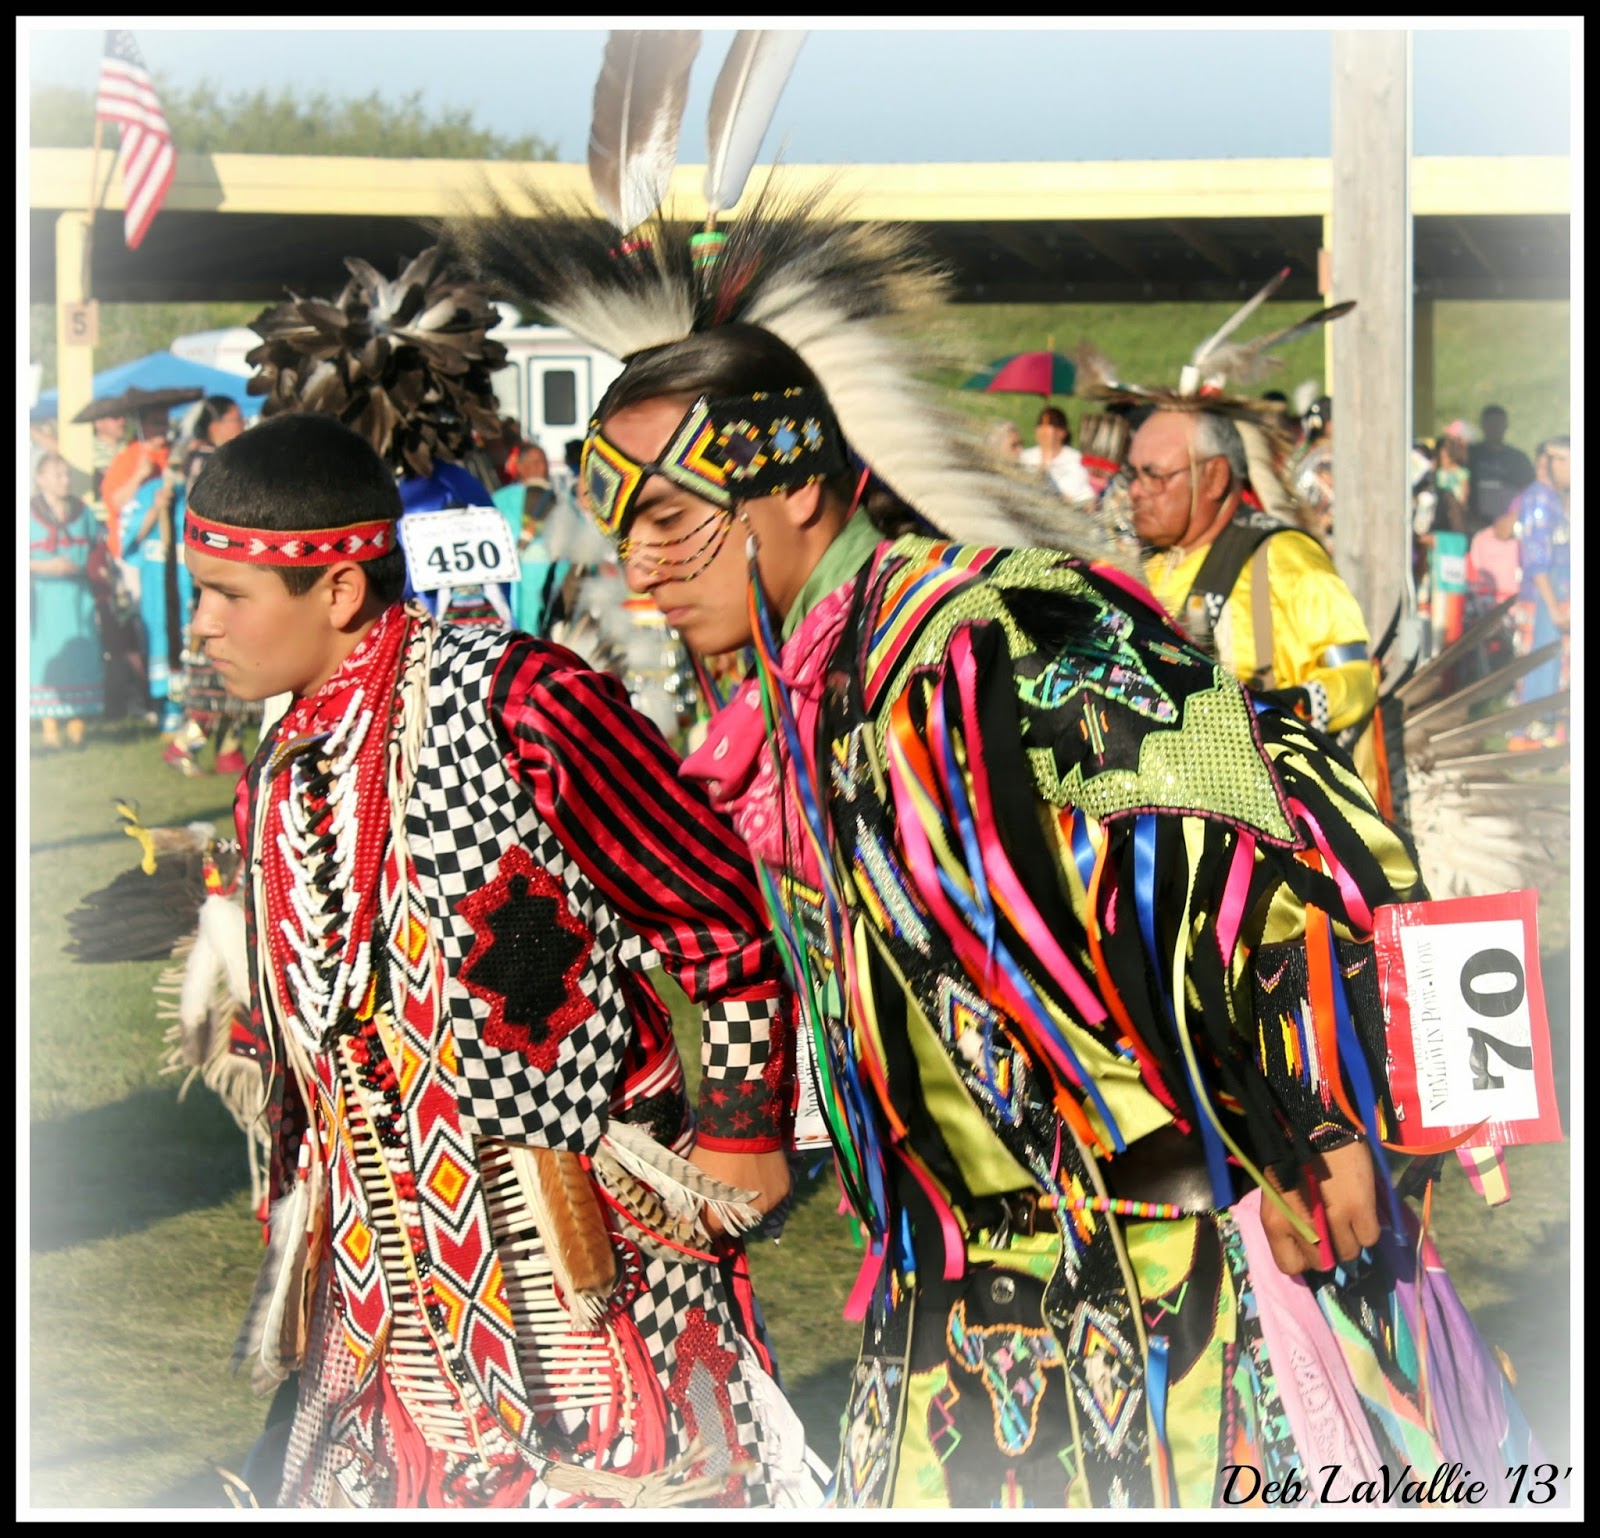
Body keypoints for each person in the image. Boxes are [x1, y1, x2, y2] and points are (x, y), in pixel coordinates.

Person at [446, 169, 1543, 1509]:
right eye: (624, 533)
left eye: (670, 520)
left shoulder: (998, 621)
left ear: (796, 490)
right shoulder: (814, 689)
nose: (639, 567)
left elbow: (1266, 810)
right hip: (970, 1299)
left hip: (1178, 1277)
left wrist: (1320, 1122)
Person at [182, 409, 820, 1510]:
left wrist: (744, 1125)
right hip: (380, 1278)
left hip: (580, 1257)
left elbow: (721, 919)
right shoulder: (282, 763)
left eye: (227, 594)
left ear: (336, 590)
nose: (200, 626)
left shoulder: (519, 700)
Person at [1128, 406, 1378, 746]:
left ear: (1214, 477)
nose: (1135, 492)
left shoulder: (1285, 558)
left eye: (1153, 476)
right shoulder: (1136, 567)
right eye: (1133, 475)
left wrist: (1274, 712)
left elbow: (1357, 680)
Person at [135, 395, 261, 775]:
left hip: (222, 575)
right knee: (216, 672)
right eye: (235, 419)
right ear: (215, 425)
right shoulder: (207, 463)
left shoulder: (210, 460)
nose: (241, 426)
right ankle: (184, 745)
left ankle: (229, 750)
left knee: (236, 666)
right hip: (214, 578)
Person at [29, 449, 106, 748]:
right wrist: (46, 566)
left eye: (66, 474)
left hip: (78, 596)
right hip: (43, 597)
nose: (65, 480)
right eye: (57, 475)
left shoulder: (82, 511)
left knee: (82, 653)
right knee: (46, 656)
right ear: (40, 478)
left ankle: (77, 727)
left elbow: (97, 549)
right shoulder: (28, 512)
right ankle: (50, 728)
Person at [1509, 434, 1571, 748]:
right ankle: (1526, 743)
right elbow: (1536, 560)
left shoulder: (1558, 498)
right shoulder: (1539, 499)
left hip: (1559, 598)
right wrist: (1555, 606)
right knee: (1537, 667)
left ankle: (1550, 741)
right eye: (1565, 460)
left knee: (1557, 670)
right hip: (1542, 600)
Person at [491, 440, 571, 635]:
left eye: (544, 461)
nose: (541, 467)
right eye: (534, 461)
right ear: (519, 467)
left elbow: (579, 539)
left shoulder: (562, 498)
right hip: (519, 580)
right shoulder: (501, 499)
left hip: (555, 577)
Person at [101, 403, 177, 550]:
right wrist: (139, 475)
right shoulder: (127, 457)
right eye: (156, 423)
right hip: (132, 545)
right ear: (142, 426)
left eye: (165, 423)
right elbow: (116, 503)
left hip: (166, 542)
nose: (162, 428)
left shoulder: (175, 454)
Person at [1466, 404, 1535, 537]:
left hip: (1507, 526)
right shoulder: (1471, 455)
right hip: (1475, 524)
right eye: (1490, 424)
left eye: (1498, 424)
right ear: (1483, 425)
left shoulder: (1518, 458)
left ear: (1505, 426)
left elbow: (1529, 490)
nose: (1494, 428)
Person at [1018, 404, 1094, 503]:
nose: (1043, 430)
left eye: (1048, 424)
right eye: (1040, 424)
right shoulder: (1025, 457)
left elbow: (1080, 495)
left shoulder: (1075, 460)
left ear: (1062, 432)